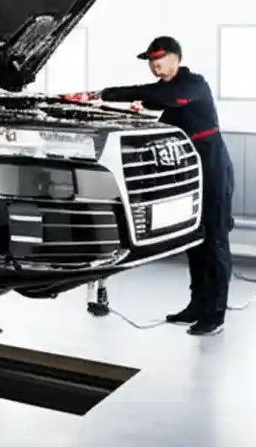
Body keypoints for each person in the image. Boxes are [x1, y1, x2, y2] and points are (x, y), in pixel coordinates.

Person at [86, 36, 235, 336]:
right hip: (189, 170)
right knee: (195, 239)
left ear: (176, 58)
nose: (155, 64)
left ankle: (215, 315)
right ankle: (197, 305)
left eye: (160, 58)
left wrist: (103, 93)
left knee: (215, 241)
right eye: (151, 60)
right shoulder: (168, 94)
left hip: (214, 168)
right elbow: (157, 111)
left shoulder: (193, 84)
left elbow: (163, 96)